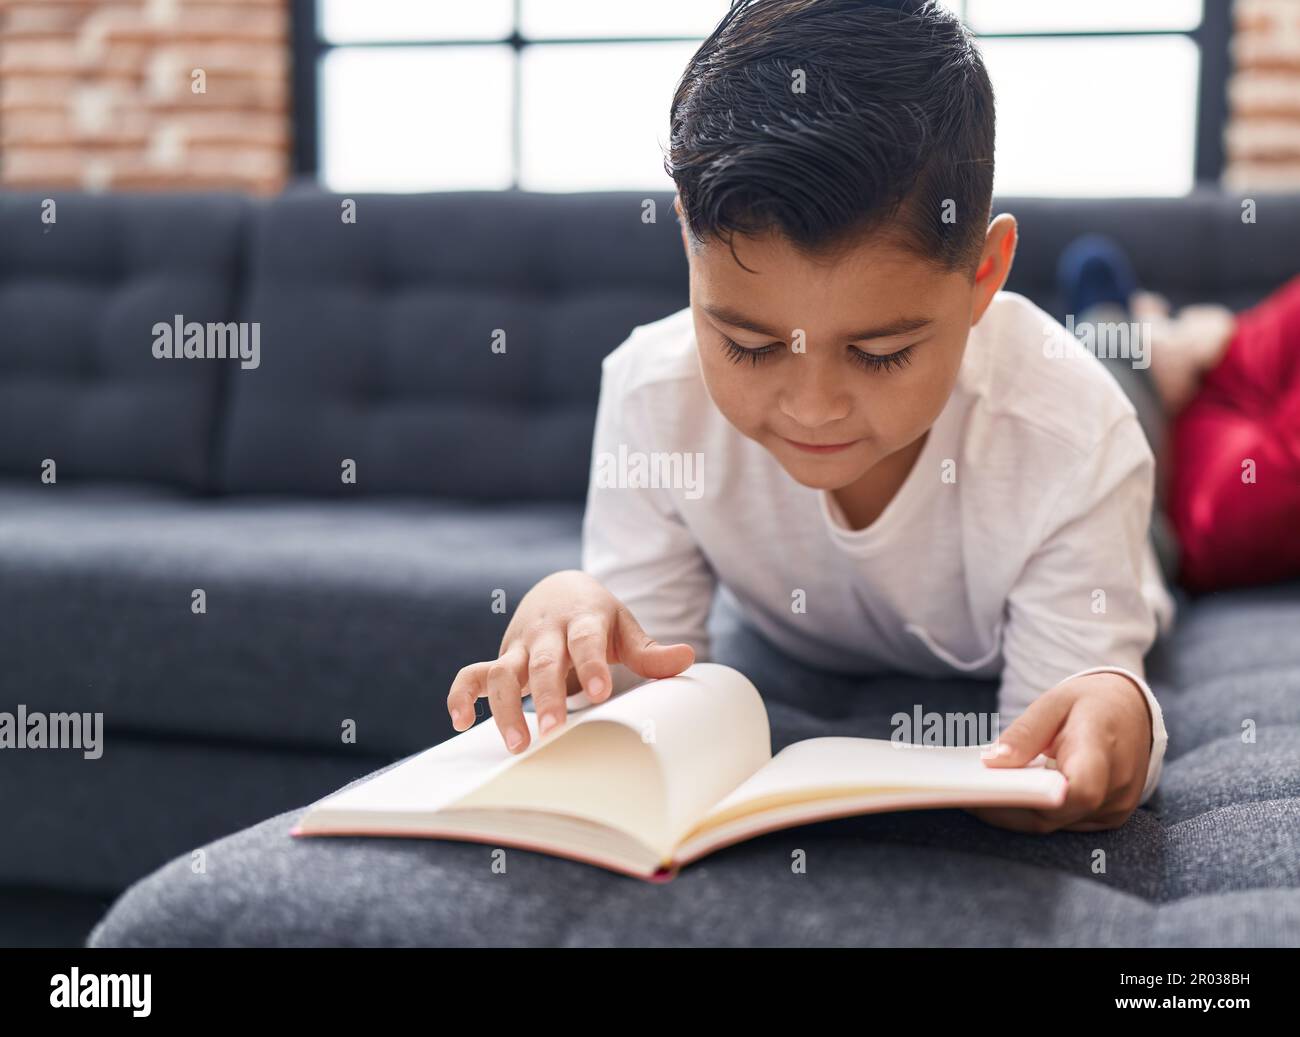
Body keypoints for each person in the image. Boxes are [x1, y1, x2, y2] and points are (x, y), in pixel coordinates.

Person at [446, 0, 1176, 833]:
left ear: (984, 275)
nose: (812, 406)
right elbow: (649, 701)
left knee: (1139, 390)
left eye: (880, 353)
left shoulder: (1076, 436)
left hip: (1119, 476)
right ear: (687, 238)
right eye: (751, 346)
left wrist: (1112, 711)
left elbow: (1049, 763)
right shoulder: (654, 393)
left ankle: (1143, 329)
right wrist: (581, 610)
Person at [1058, 234, 1300, 594]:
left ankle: (1118, 328)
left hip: (1158, 472)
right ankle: (1124, 330)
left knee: (1096, 291)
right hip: (1173, 394)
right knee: (1095, 279)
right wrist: (1205, 341)